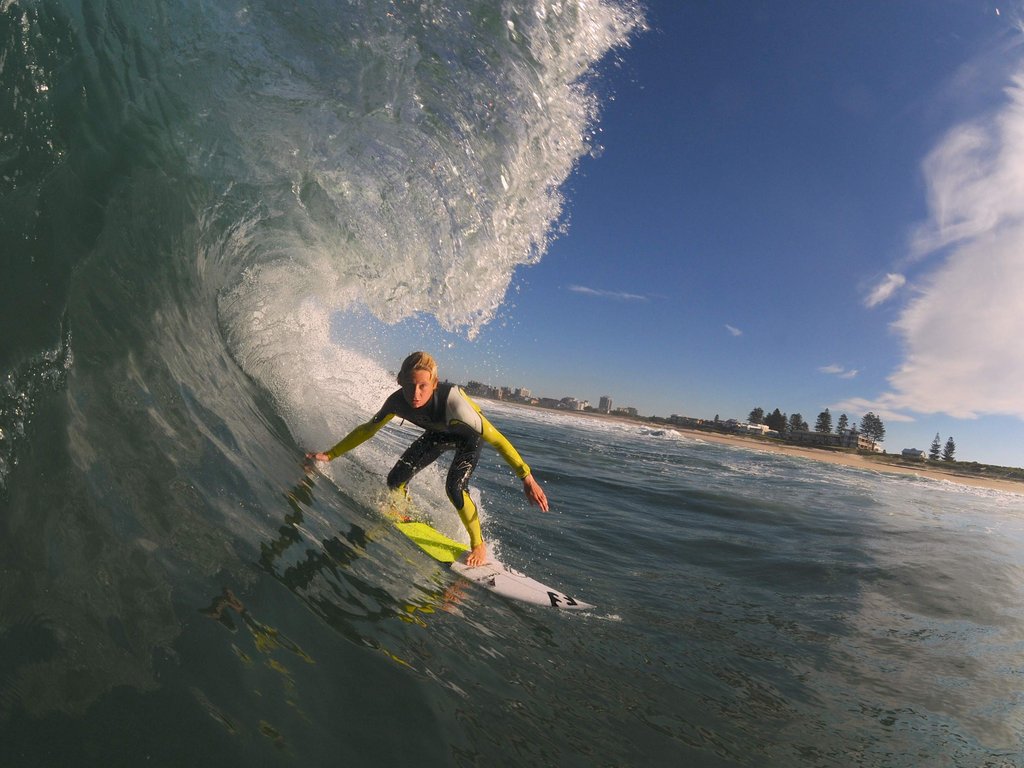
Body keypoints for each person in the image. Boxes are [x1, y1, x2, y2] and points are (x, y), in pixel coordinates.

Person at [307, 351, 549, 567]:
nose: (415, 393)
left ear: (434, 384)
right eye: (410, 385)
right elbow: (367, 430)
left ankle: (478, 545)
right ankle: (403, 511)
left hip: (468, 437)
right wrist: (330, 454)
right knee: (395, 480)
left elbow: (498, 440)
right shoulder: (395, 402)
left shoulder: (455, 405)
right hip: (438, 433)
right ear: (399, 380)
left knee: (454, 487)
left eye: (423, 386)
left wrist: (526, 478)